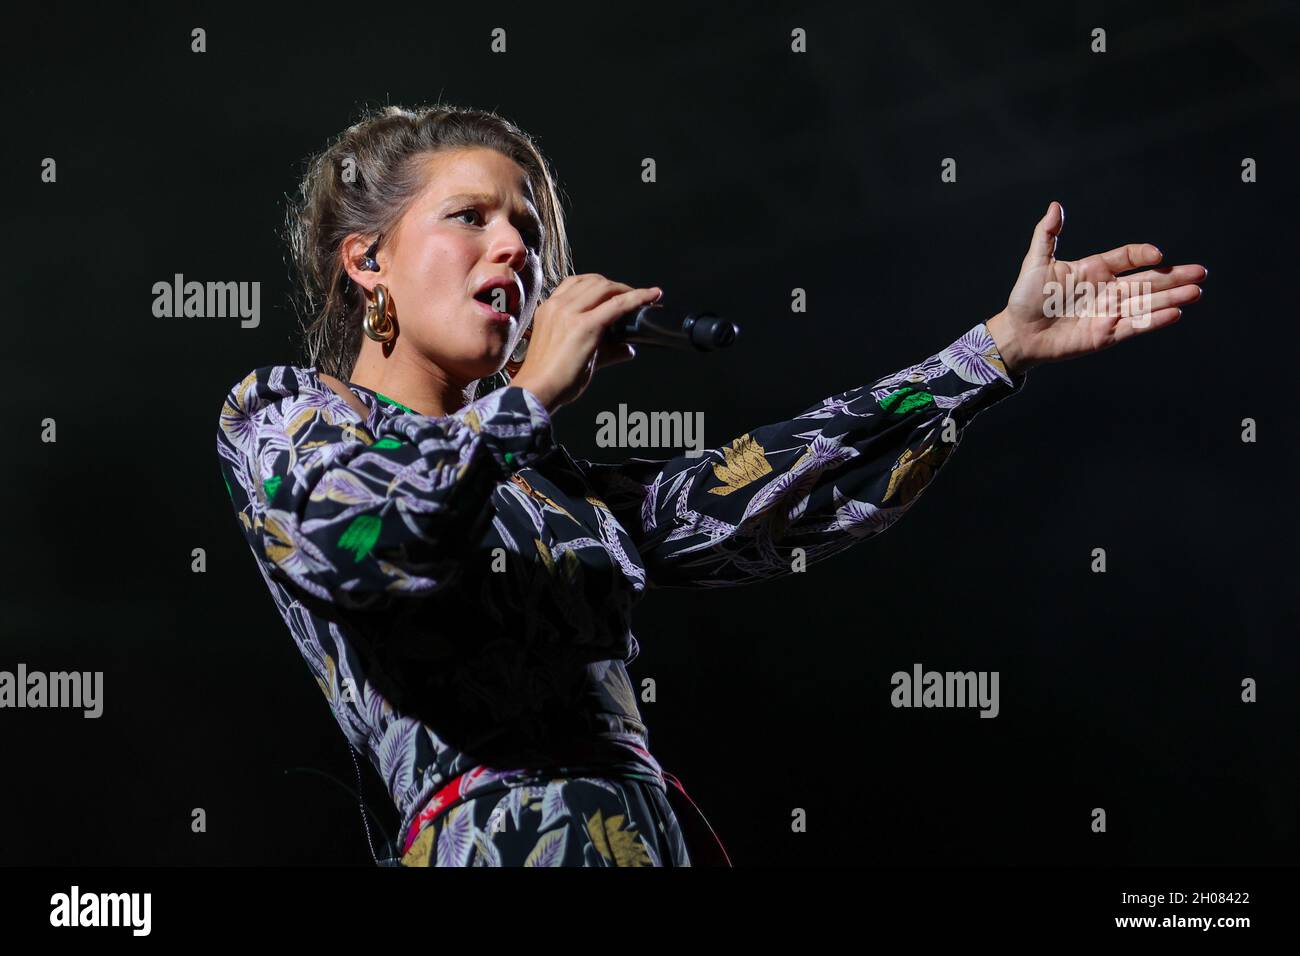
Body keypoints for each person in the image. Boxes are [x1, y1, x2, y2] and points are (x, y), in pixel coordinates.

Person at [215, 103, 1207, 867]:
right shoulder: (284, 417)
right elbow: (367, 542)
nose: (514, 246)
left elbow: (767, 493)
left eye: (526, 225)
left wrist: (994, 349)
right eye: (469, 217)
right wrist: (522, 395)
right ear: (368, 260)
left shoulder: (556, 484)